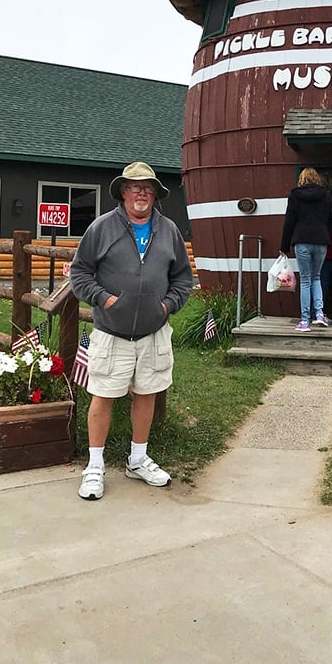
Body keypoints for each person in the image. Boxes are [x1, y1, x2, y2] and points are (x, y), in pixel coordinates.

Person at [69, 161, 194, 501]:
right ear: (123, 192)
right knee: (103, 395)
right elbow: (79, 274)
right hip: (112, 333)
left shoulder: (168, 230)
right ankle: (94, 467)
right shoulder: (101, 228)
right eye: (134, 186)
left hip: (154, 333)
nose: (141, 192)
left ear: (155, 194)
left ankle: (137, 460)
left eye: (148, 188)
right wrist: (105, 300)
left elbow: (183, 278)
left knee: (147, 394)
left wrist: (167, 305)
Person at [279, 167, 332, 332]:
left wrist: (284, 247)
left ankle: (304, 321)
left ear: (302, 179)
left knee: (306, 280)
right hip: (321, 241)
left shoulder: (295, 196)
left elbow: (289, 222)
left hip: (302, 241)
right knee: (316, 278)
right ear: (317, 179)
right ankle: (320, 314)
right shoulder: (325, 195)